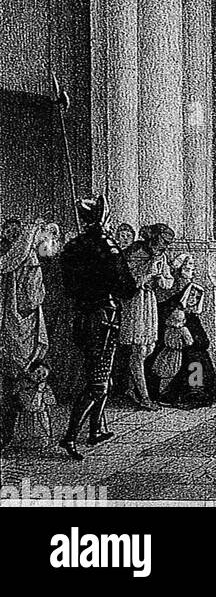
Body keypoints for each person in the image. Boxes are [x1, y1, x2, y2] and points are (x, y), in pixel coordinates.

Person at [58, 195, 138, 460]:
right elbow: (127, 288)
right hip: (104, 318)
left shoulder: (71, 247)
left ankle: (94, 430)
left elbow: (68, 286)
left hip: (82, 317)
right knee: (98, 383)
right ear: (103, 217)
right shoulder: (108, 247)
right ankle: (69, 437)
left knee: (101, 376)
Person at [0, 220, 61, 450]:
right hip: (24, 324)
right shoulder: (32, 262)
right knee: (19, 378)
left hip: (12, 322)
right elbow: (32, 299)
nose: (53, 243)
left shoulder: (21, 260)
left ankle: (15, 434)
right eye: (50, 237)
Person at [120, 224, 175, 409]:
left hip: (148, 303)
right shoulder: (135, 251)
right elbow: (127, 281)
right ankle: (144, 397)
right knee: (139, 351)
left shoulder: (161, 256)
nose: (165, 246)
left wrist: (160, 279)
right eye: (164, 242)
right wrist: (148, 273)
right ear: (154, 238)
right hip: (133, 304)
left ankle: (130, 387)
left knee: (148, 348)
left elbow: (168, 281)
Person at [157, 283, 216, 410]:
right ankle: (187, 393)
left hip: (192, 351)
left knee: (197, 359)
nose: (193, 299)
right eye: (192, 295)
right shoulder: (175, 313)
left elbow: (203, 340)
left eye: (197, 297)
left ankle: (195, 392)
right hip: (178, 351)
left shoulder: (192, 316)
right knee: (192, 361)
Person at [150, 308, 193, 394]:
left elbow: (189, 342)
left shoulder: (174, 330)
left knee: (167, 372)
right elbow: (189, 342)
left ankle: (164, 392)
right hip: (172, 353)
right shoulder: (179, 330)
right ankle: (163, 392)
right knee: (168, 372)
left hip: (170, 352)